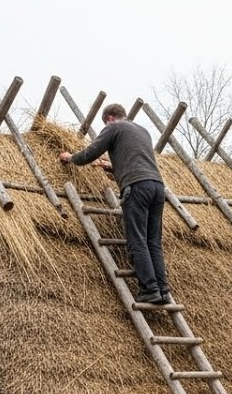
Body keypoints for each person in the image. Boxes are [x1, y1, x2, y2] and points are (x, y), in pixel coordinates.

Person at [60, 104, 170, 304]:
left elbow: (92, 152)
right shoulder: (142, 131)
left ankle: (150, 289)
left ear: (109, 118)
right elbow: (136, 160)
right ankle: (163, 289)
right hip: (157, 187)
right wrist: (112, 168)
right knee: (153, 241)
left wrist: (71, 158)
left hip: (136, 188)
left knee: (137, 239)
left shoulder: (113, 127)